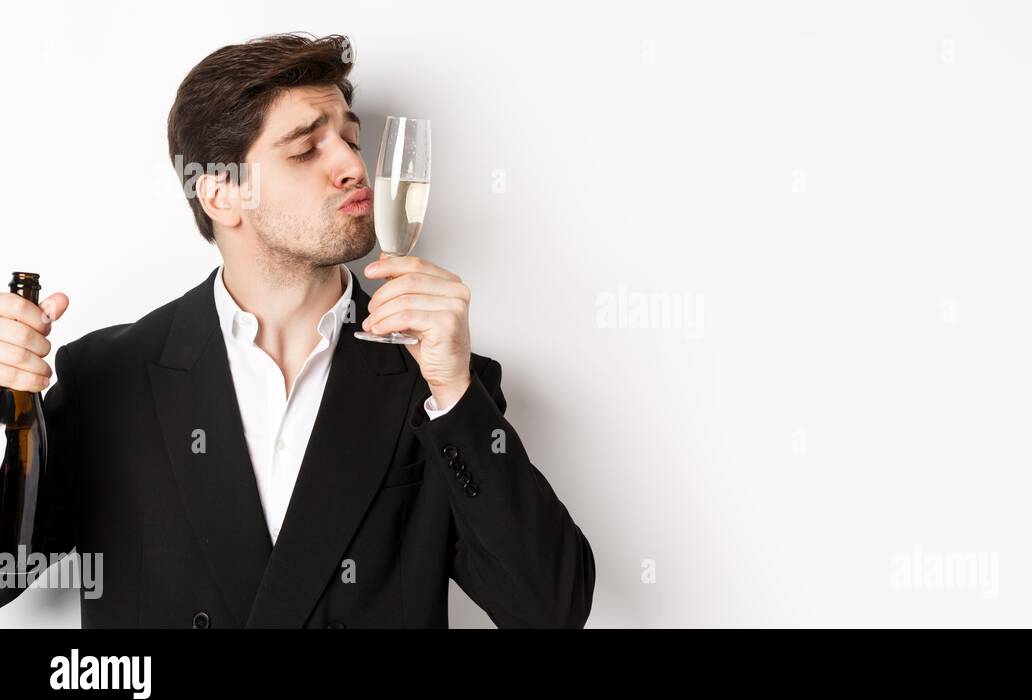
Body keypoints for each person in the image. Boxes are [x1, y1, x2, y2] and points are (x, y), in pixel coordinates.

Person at [0, 33, 595, 628]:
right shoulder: (108, 378)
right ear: (221, 193)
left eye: (351, 140)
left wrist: (457, 395)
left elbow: (551, 609)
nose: (353, 167)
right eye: (307, 149)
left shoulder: (443, 385)